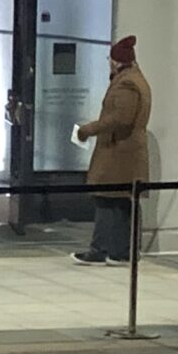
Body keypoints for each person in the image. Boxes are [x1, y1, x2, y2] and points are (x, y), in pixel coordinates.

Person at [72, 35, 150, 266]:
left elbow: (120, 118)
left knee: (109, 200)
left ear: (116, 61)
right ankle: (118, 251)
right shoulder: (133, 79)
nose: (109, 62)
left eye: (110, 58)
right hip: (122, 152)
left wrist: (89, 129)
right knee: (118, 203)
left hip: (119, 153)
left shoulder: (127, 84)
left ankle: (105, 250)